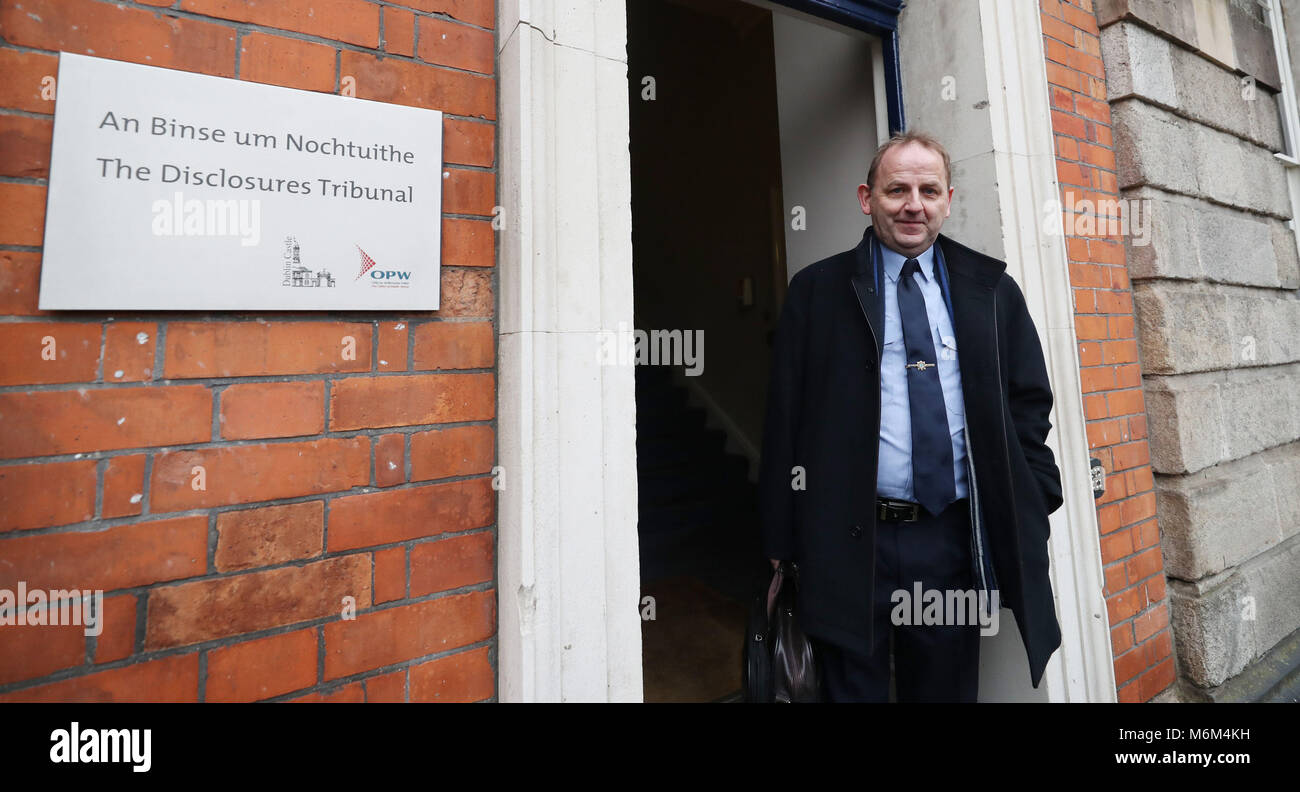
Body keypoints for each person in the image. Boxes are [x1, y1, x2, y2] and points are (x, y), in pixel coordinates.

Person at [758, 130, 1065, 702]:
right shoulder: (816, 292)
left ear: (948, 200)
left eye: (928, 190)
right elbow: (784, 418)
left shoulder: (991, 291)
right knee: (851, 691)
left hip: (950, 536)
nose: (912, 205)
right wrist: (781, 532)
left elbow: (1029, 403)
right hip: (849, 538)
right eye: (896, 188)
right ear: (866, 198)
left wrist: (1033, 492)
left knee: (944, 691)